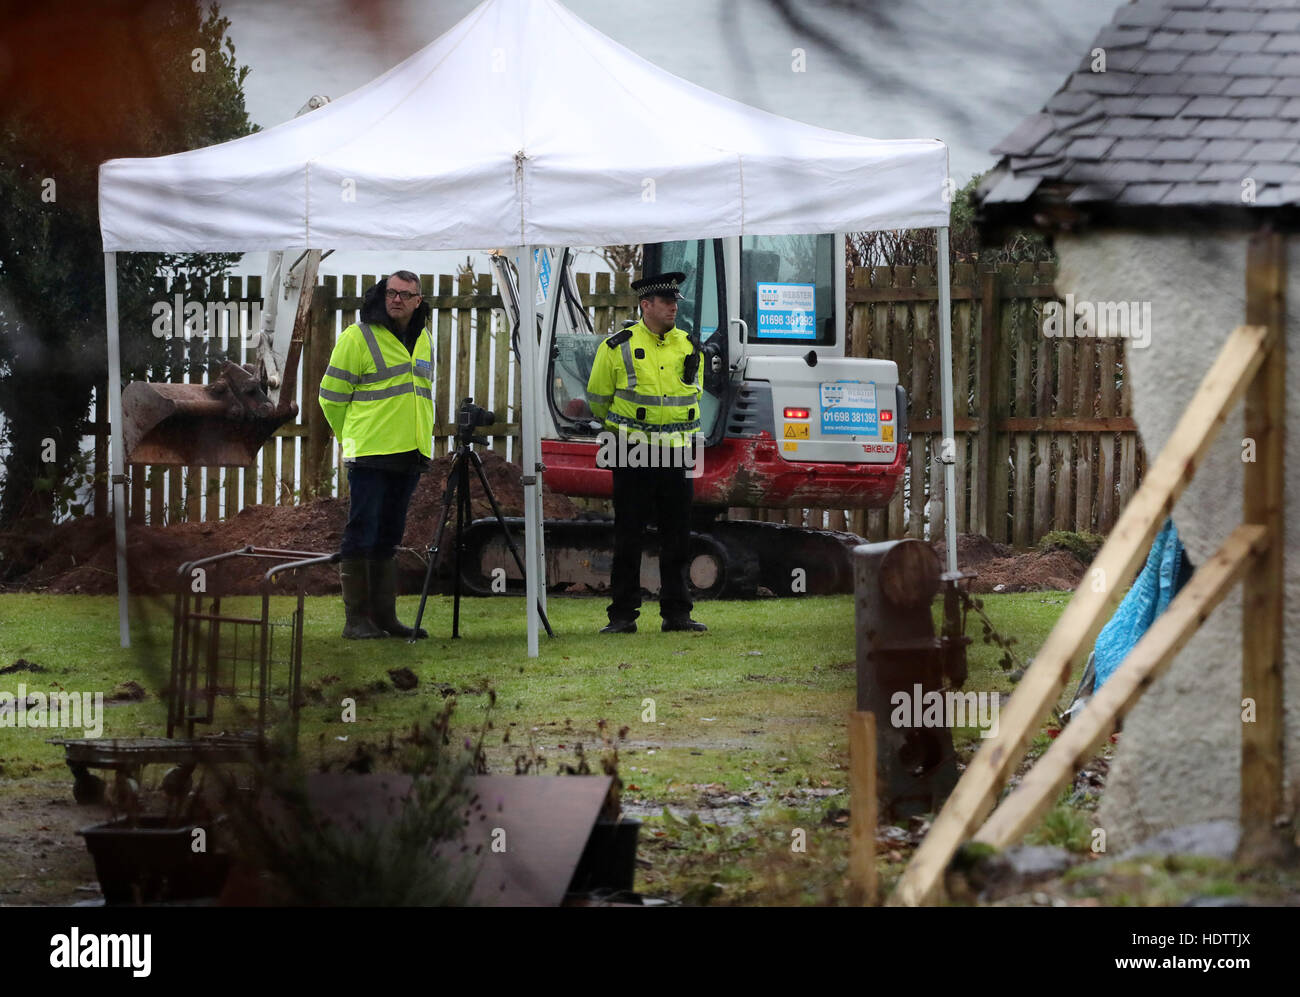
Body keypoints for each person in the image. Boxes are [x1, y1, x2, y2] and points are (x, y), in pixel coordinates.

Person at [585, 272, 707, 634]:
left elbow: (693, 397)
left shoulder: (688, 346)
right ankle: (622, 616)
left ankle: (677, 614)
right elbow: (597, 399)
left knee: (678, 539)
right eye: (666, 301)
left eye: (675, 301)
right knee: (628, 538)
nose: (673, 307)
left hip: (677, 455)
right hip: (631, 453)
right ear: (646, 305)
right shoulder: (617, 346)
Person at [318, 270, 433, 639]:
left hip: (410, 452)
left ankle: (384, 618)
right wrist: (350, 437)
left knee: (389, 535)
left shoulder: (424, 339)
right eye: (390, 292)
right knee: (361, 532)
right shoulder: (358, 337)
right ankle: (356, 621)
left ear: (418, 301)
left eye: (405, 294)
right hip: (370, 453)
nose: (396, 299)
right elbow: (330, 397)